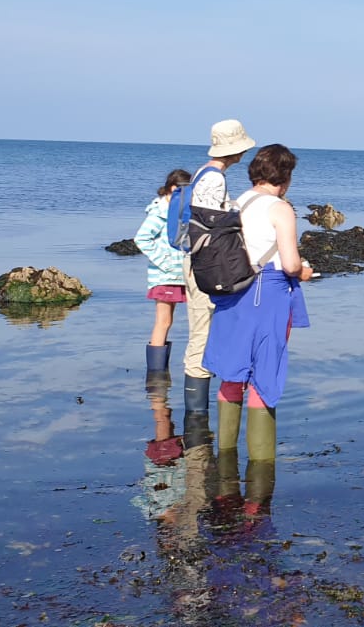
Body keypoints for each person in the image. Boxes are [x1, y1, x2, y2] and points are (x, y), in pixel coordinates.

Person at [204, 144, 314, 466]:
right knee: (264, 377)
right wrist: (304, 272)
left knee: (231, 373)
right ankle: (261, 473)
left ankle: (224, 462)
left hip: (232, 292)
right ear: (285, 176)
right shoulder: (280, 208)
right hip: (267, 294)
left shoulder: (237, 202)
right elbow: (290, 264)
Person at [182, 119, 259, 415]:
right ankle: (196, 418)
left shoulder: (204, 173)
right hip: (205, 263)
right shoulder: (214, 178)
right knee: (202, 333)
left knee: (202, 330)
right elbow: (213, 222)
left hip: (197, 259)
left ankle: (197, 415)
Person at [137, 169, 192, 374]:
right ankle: (156, 373)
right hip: (165, 275)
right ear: (173, 188)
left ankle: (163, 370)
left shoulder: (180, 211)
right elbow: (142, 239)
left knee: (174, 321)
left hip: (180, 275)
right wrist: (165, 262)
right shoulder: (160, 211)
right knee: (163, 320)